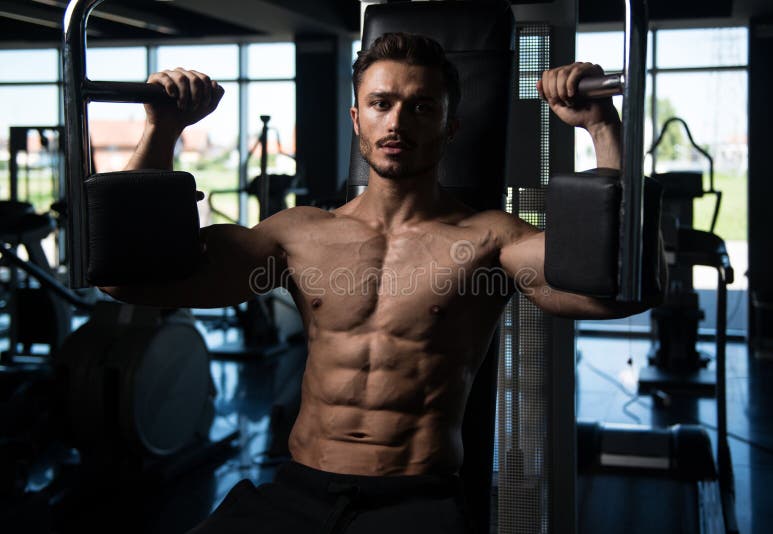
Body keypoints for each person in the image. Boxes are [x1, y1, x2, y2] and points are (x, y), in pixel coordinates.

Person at [105, 33, 657, 534]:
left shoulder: (491, 239)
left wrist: (602, 127)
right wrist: (163, 128)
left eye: (421, 107)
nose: (397, 123)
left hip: (415, 503)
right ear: (356, 118)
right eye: (381, 104)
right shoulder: (299, 234)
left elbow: (612, 290)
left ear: (450, 125)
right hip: (298, 492)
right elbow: (133, 279)